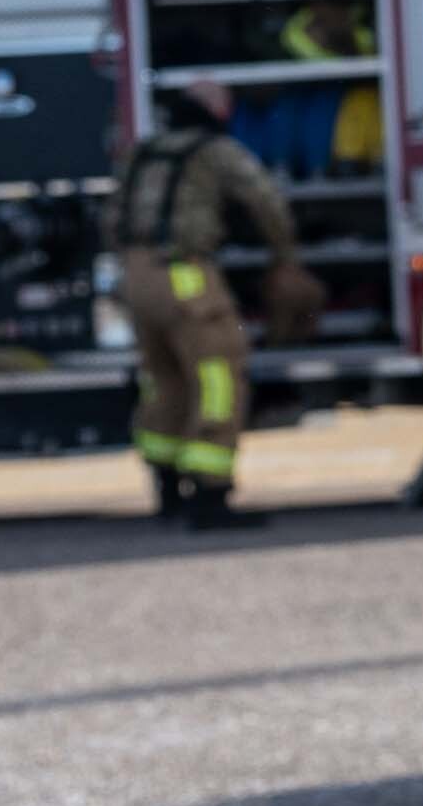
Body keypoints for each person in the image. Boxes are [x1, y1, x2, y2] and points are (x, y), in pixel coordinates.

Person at [109, 76, 311, 530]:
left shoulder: (143, 152)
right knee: (219, 373)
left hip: (136, 277)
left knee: (164, 380)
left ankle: (167, 489)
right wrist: (285, 256)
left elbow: (113, 217)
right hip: (186, 275)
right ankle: (211, 494)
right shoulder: (214, 151)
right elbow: (265, 200)